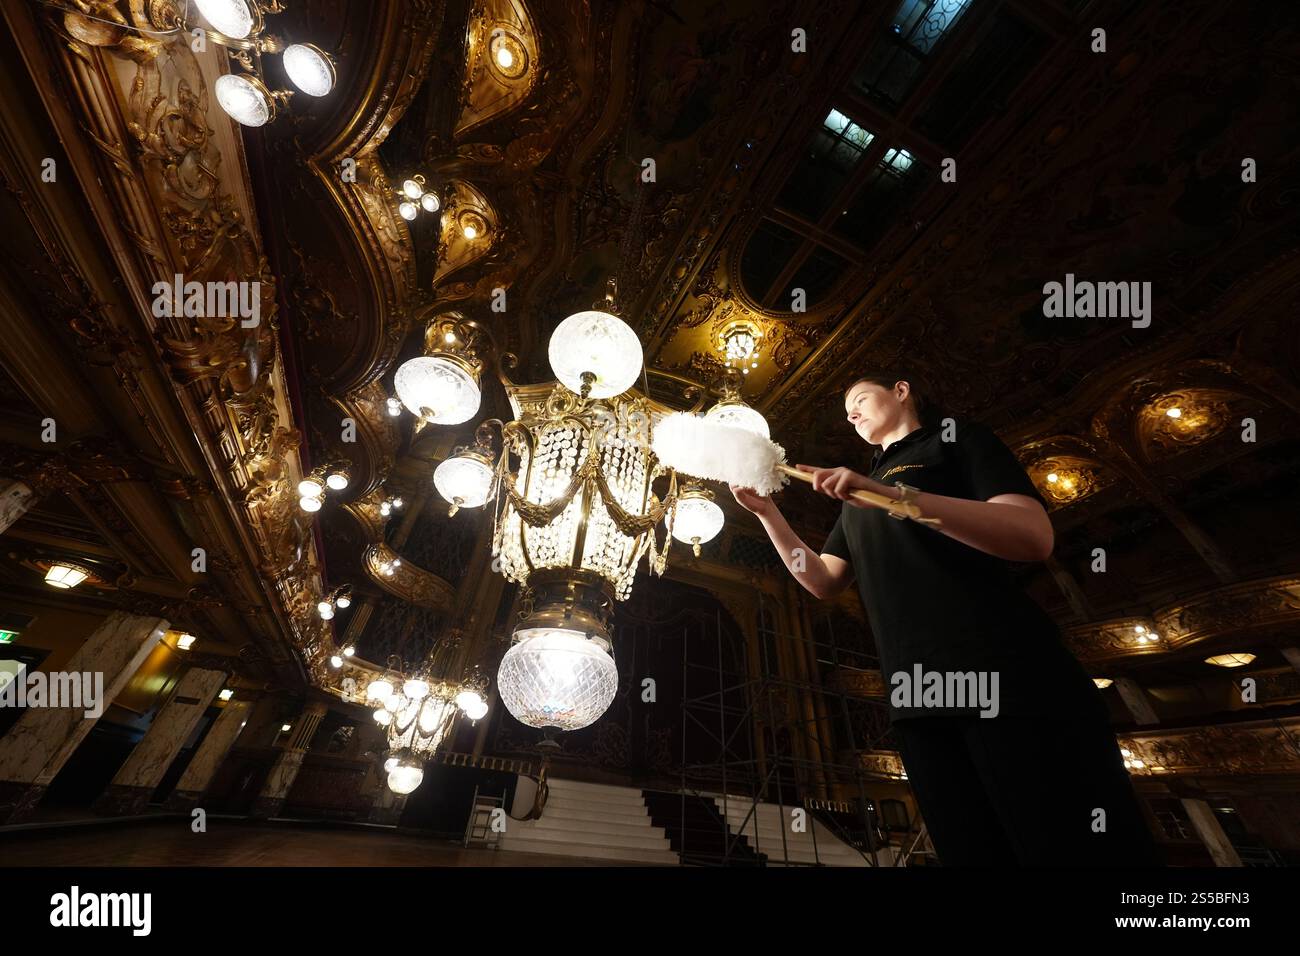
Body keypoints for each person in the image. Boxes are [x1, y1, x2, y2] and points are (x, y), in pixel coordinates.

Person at [730, 373, 1162, 866]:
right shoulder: (857, 500)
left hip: (1001, 671)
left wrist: (891, 496)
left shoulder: (954, 441)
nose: (850, 413)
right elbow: (824, 580)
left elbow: (1031, 535)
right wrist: (768, 515)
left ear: (901, 390)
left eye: (860, 399)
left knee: (1064, 843)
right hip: (915, 695)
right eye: (846, 410)